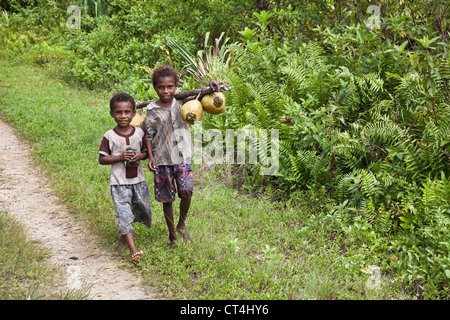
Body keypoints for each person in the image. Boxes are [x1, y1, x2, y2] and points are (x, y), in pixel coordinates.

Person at [142, 65, 219, 245]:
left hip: (184, 156)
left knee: (186, 192)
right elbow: (148, 134)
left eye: (170, 86)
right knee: (166, 199)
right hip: (162, 159)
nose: (166, 91)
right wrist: (151, 157)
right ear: (155, 87)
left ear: (176, 85)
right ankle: (172, 234)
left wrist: (213, 85)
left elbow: (205, 96)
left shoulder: (184, 103)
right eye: (161, 87)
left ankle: (181, 225)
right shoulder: (152, 109)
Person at [99, 92, 152, 260]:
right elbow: (102, 159)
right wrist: (120, 157)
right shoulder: (110, 136)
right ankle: (133, 249)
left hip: (138, 181)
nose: (123, 116)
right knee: (123, 213)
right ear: (112, 114)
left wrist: (140, 156)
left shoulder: (139, 133)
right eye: (119, 112)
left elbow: (145, 153)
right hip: (119, 183)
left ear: (134, 113)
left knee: (140, 209)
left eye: (127, 112)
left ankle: (123, 238)